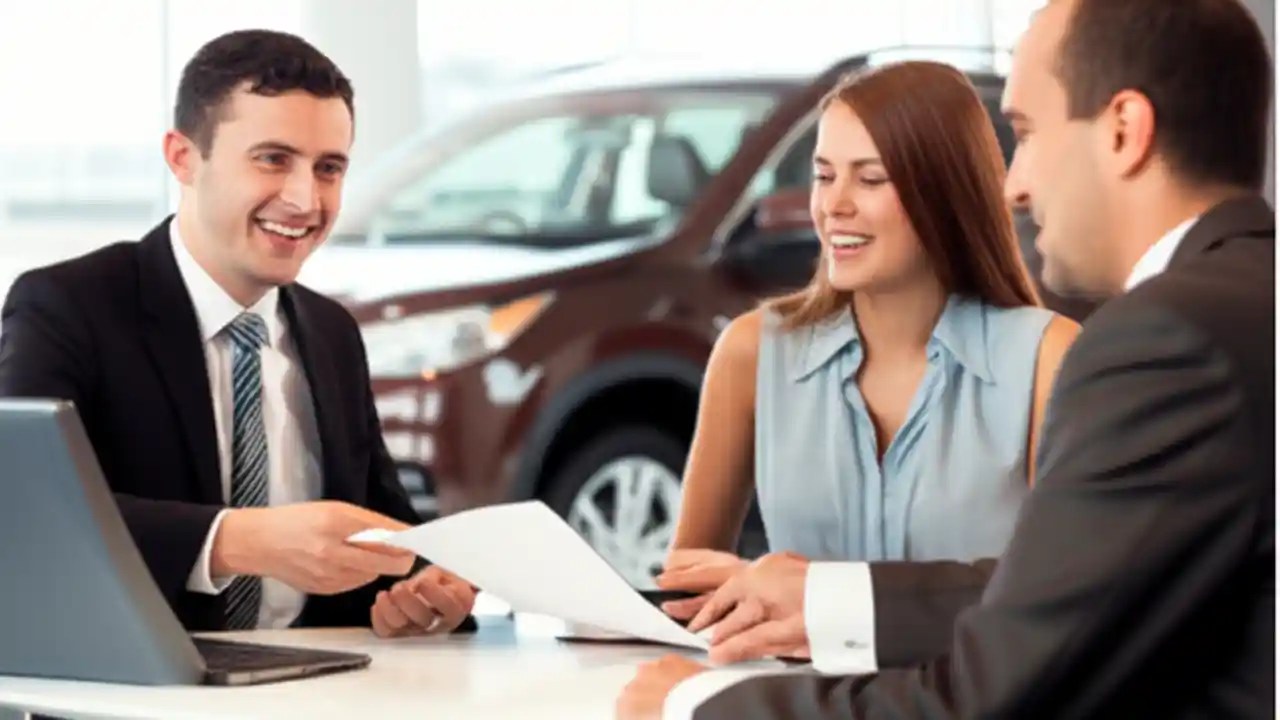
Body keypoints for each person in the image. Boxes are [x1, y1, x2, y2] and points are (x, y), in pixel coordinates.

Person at [618, 0, 1275, 717]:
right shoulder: (1239, 306)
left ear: (1123, 130)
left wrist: (700, 706)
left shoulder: (1164, 341)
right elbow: (1076, 604)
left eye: (1027, 134)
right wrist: (821, 598)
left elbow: (1013, 671)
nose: (1015, 186)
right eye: (824, 175)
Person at [0, 29, 476, 637]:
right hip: (138, 677)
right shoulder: (69, 306)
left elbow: (382, 536)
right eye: (273, 159)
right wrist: (237, 540)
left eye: (329, 168)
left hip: (321, 677)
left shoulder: (331, 332)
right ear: (183, 158)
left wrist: (422, 592)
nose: (305, 200)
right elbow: (24, 512)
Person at [656, 60, 1078, 619]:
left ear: (946, 192)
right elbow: (687, 592)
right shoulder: (752, 353)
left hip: (966, 677)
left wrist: (824, 598)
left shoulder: (1046, 360)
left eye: (870, 179)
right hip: (792, 679)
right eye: (824, 176)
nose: (834, 205)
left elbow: (1062, 598)